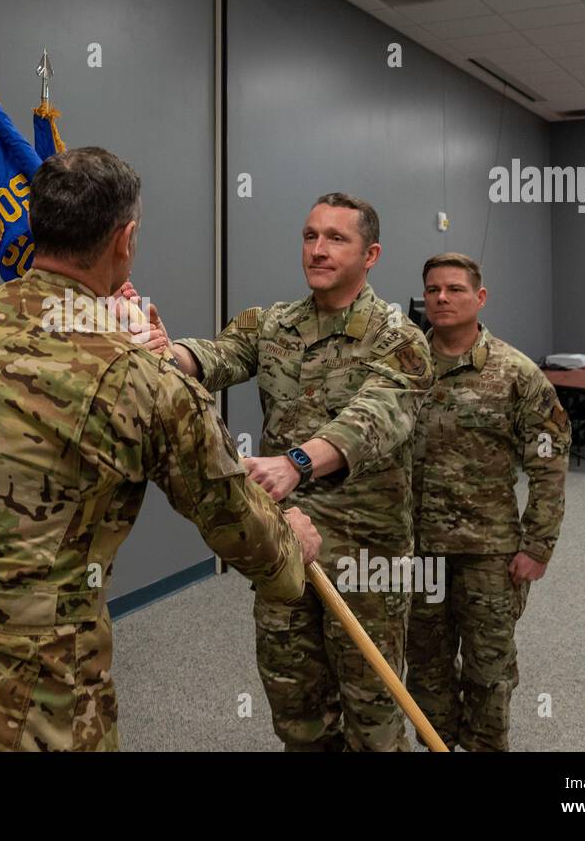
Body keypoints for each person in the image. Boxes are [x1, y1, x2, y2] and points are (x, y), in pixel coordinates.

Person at [0, 147, 320, 751]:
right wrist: (291, 547)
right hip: (32, 699)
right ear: (126, 238)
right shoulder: (138, 377)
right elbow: (237, 524)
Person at [161, 192, 433, 751]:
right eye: (310, 236)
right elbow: (218, 356)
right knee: (297, 712)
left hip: (366, 557)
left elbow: (376, 416)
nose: (318, 249)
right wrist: (169, 354)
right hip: (286, 546)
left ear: (371, 253)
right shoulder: (273, 324)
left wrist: (297, 463)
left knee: (374, 718)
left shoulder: (400, 338)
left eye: (337, 238)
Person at [406, 252, 569, 751]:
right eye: (433, 289)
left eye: (455, 289)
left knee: (489, 668)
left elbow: (549, 463)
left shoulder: (516, 373)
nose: (442, 298)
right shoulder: (402, 368)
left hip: (489, 552)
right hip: (417, 550)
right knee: (425, 667)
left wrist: (538, 546)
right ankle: (439, 744)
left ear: (479, 298)